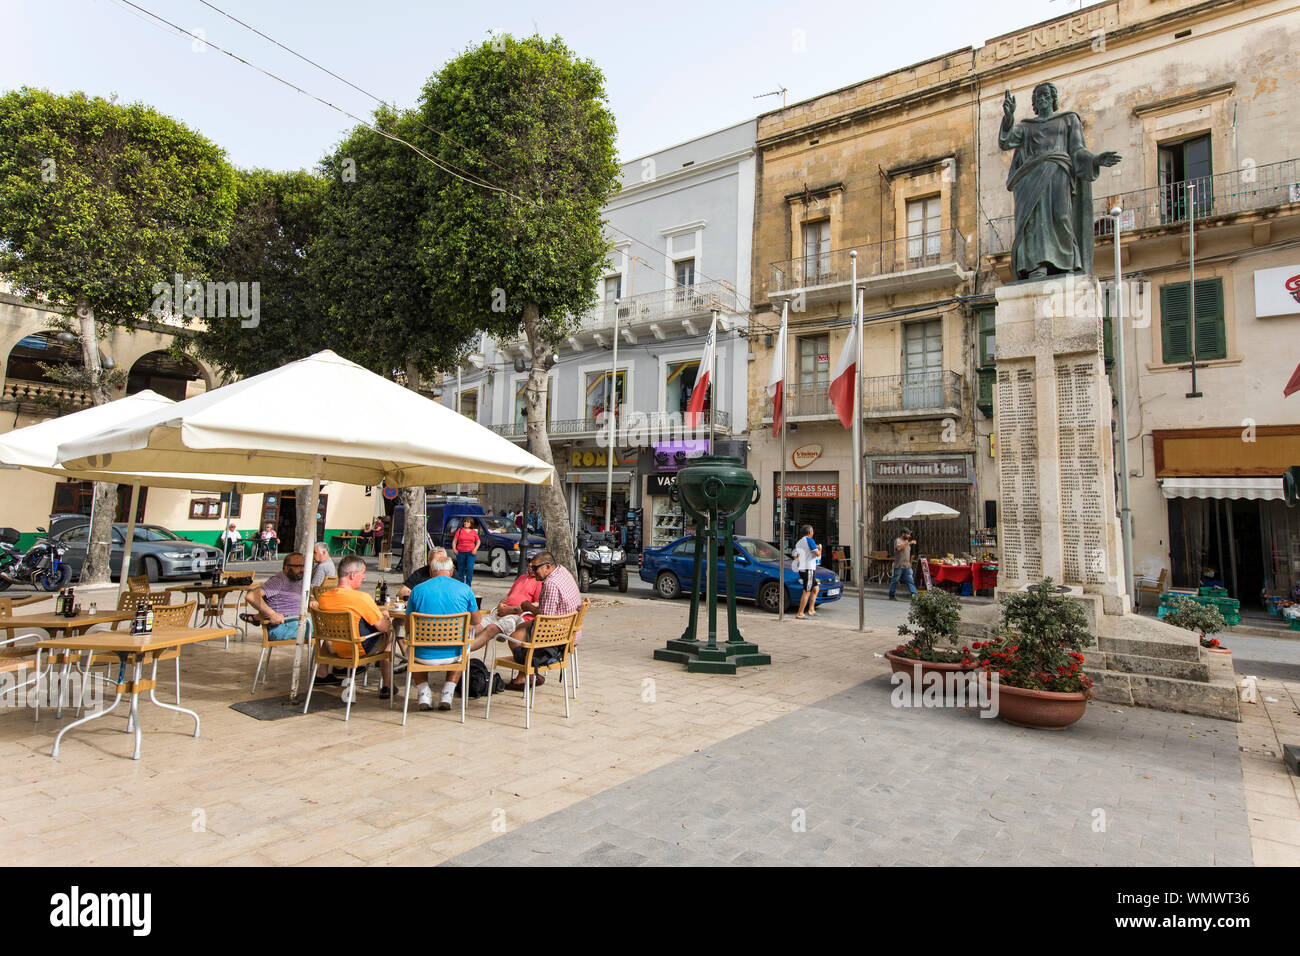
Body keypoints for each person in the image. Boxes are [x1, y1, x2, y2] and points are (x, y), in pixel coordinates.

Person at [999, 81, 1120, 280]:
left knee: (1062, 216)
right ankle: (1037, 266)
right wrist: (1009, 117)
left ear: (1053, 99)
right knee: (1035, 222)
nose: (1042, 97)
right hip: (1031, 177)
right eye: (1038, 96)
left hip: (1059, 172)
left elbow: (1078, 150)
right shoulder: (1027, 126)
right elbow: (1006, 142)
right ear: (1034, 103)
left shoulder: (1069, 120)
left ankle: (1067, 263)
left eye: (1046, 94)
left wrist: (1095, 159)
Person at [405, 552, 483, 711]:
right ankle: (447, 692)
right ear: (452, 570)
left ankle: (424, 693)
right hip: (454, 654)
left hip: (421, 655)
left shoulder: (417, 590)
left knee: (410, 645)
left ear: (431, 571)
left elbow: (408, 627)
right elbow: (477, 621)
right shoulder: (465, 589)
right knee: (464, 645)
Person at [315, 554, 394, 699]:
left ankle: (324, 671)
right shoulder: (362, 598)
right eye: (362, 573)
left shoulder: (324, 597)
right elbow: (383, 628)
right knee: (390, 634)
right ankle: (387, 685)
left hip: (334, 648)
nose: (363, 577)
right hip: (358, 649)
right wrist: (386, 617)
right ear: (352, 575)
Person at [502, 550, 581, 692]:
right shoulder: (563, 572)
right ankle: (527, 675)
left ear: (548, 567)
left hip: (556, 637)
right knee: (521, 627)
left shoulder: (551, 584)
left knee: (514, 638)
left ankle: (528, 673)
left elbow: (545, 621)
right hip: (569, 631)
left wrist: (528, 607)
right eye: (531, 567)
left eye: (535, 568)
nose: (533, 571)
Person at [244, 552, 306, 641]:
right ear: (287, 568)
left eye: (304, 566)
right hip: (281, 627)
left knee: (328, 629)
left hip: (296, 622)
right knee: (324, 630)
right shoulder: (279, 581)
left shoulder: (299, 578)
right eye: (298, 566)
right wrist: (272, 614)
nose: (303, 570)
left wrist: (311, 599)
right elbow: (251, 596)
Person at [793, 524, 822, 620]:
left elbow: (795, 556)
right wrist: (819, 549)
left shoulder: (799, 542)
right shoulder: (809, 540)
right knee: (807, 591)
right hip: (808, 569)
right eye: (812, 531)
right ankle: (800, 613)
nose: (813, 533)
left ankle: (811, 610)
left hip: (803, 568)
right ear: (809, 532)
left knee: (815, 588)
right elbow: (817, 554)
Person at [889, 528, 918, 601]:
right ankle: (891, 594)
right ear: (903, 534)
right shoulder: (898, 540)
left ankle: (914, 594)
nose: (909, 536)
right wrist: (909, 543)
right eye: (908, 534)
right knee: (895, 580)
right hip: (899, 565)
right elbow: (898, 548)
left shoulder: (906, 541)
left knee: (910, 580)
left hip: (907, 565)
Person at [451, 517, 480, 586]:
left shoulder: (473, 532)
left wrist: (475, 549)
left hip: (471, 553)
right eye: (465, 522)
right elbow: (454, 541)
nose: (466, 523)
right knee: (461, 569)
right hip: (460, 552)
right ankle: (461, 585)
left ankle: (468, 585)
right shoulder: (459, 530)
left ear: (471, 524)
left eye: (468, 522)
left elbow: (478, 541)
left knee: (470, 568)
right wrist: (454, 549)